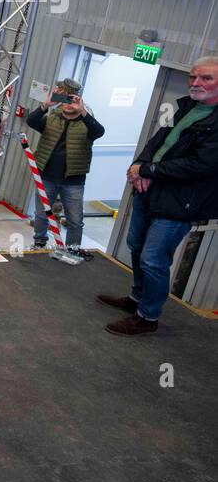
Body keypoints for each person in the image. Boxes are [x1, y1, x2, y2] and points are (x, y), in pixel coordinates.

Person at [97, 56, 218, 336]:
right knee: (136, 246)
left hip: (180, 202)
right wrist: (137, 169)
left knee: (153, 259)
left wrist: (149, 169)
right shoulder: (186, 107)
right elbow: (157, 141)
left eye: (206, 78)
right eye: (193, 77)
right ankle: (137, 299)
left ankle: (148, 317)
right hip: (150, 191)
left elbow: (201, 164)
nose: (196, 83)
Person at [22, 78, 104, 259]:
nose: (68, 104)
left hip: (73, 180)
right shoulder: (53, 117)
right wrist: (46, 104)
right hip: (47, 176)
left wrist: (82, 111)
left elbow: (99, 132)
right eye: (65, 99)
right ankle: (39, 244)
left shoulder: (87, 121)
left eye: (71, 100)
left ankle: (72, 249)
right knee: (42, 214)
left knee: (75, 220)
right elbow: (31, 121)